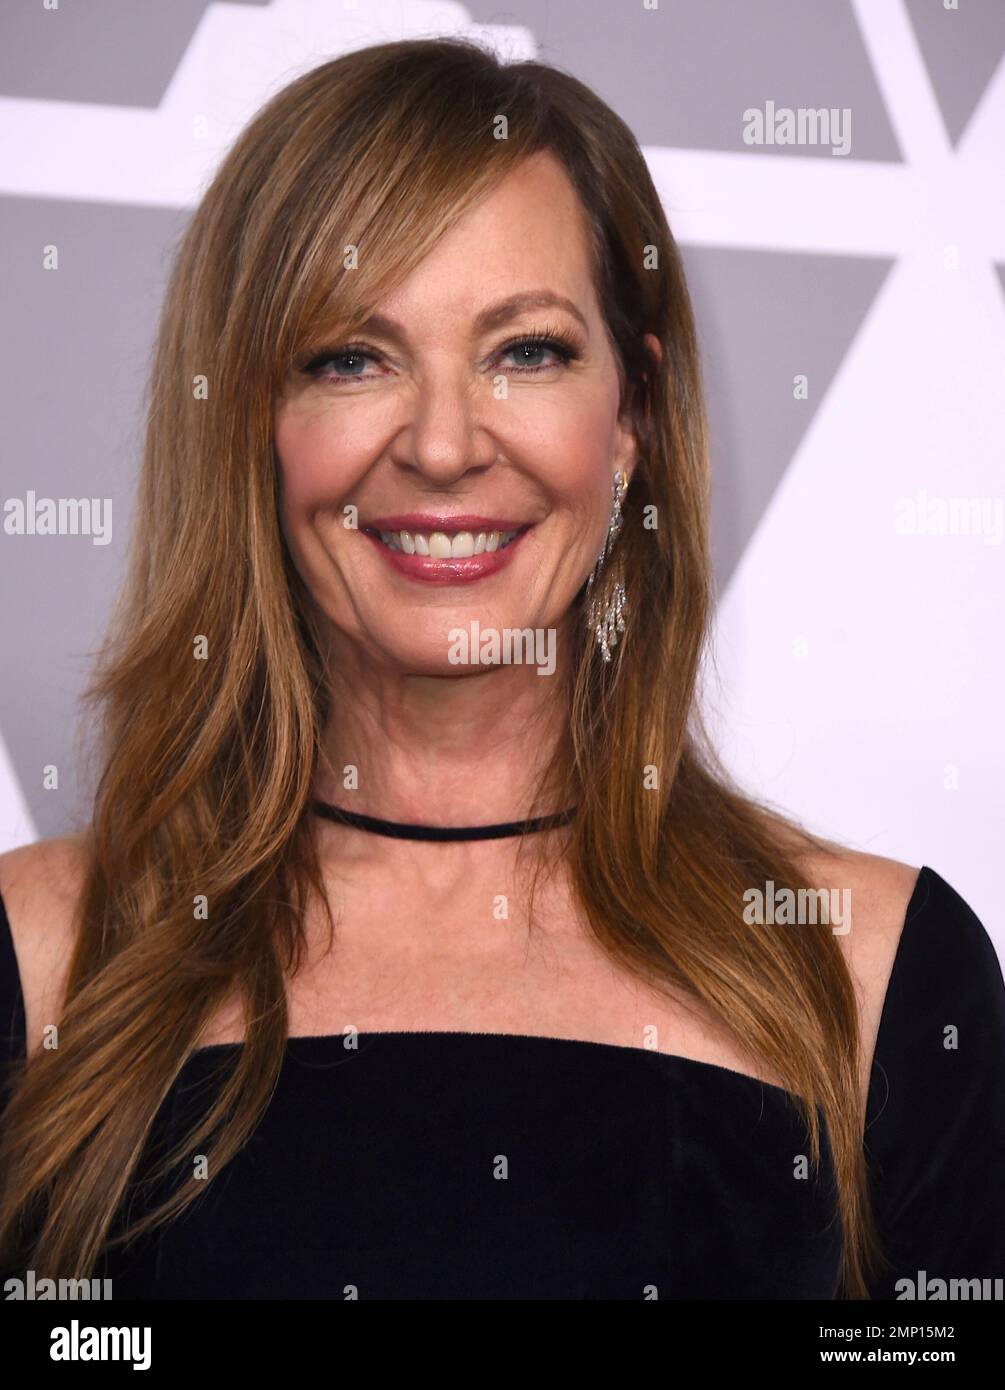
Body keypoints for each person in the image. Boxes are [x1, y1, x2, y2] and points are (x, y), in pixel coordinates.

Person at [1, 36, 1003, 1301]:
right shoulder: (43, 963)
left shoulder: (875, 973)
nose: (439, 444)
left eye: (523, 350)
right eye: (349, 357)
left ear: (632, 420)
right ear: (252, 425)